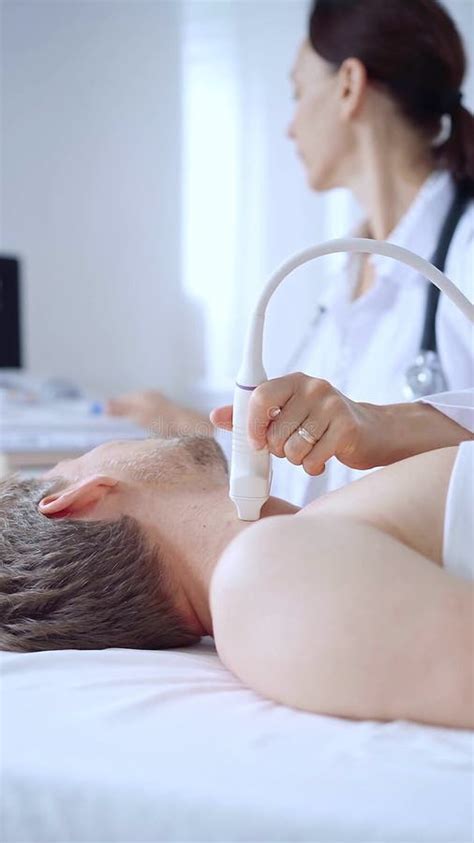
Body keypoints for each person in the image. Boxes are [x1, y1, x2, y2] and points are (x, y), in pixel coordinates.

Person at [106, 0, 474, 505]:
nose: (289, 126)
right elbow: (303, 457)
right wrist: (175, 423)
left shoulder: (466, 246)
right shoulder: (350, 269)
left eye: (298, 93)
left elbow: (361, 431)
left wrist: (384, 424)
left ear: (349, 86)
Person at [0, 433, 472, 729]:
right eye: (82, 456)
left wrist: (408, 424)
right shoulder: (264, 577)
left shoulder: (302, 548)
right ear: (81, 499)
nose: (123, 441)